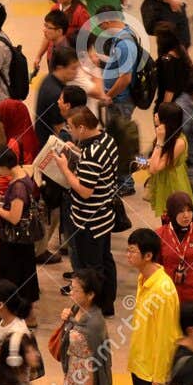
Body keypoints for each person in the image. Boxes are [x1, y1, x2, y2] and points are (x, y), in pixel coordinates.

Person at [55, 107, 119, 315]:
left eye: (71, 127)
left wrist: (65, 168)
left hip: (88, 220)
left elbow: (84, 190)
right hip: (104, 215)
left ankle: (95, 308)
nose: (70, 131)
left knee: (92, 269)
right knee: (105, 261)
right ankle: (107, 304)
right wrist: (77, 153)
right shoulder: (107, 140)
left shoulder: (92, 153)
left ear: (82, 128)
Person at [125, 229, 181, 385]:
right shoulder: (143, 279)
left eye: (132, 251)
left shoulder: (162, 290)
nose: (128, 255)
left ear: (148, 256)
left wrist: (159, 377)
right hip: (139, 364)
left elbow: (167, 336)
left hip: (151, 373)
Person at [56, 268, 112, 385]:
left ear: (91, 294)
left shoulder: (95, 323)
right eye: (71, 287)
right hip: (73, 373)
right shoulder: (76, 309)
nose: (71, 292)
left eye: (75, 289)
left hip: (87, 383)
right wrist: (68, 320)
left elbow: (94, 361)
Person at [0, 143, 39, 317]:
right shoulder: (23, 175)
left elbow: (14, 217)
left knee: (17, 278)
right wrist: (3, 198)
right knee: (24, 277)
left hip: (15, 241)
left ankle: (23, 315)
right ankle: (27, 315)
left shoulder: (18, 186)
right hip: (20, 242)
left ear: (4, 165)